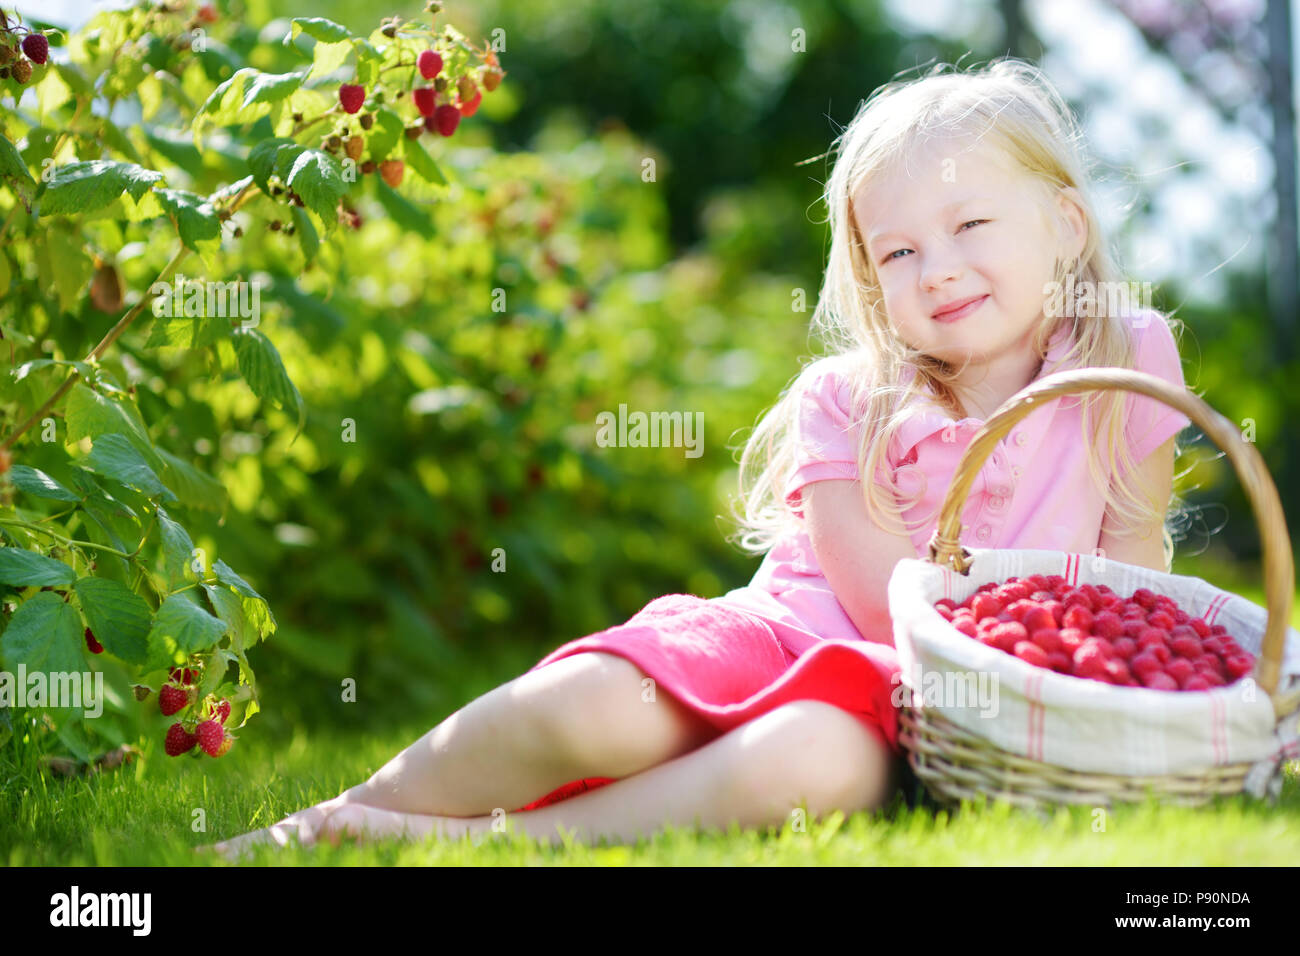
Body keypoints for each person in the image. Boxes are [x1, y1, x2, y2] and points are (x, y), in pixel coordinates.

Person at [206, 57, 1193, 859]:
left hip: (931, 703)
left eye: (970, 225)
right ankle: (345, 810)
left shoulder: (1126, 359)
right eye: (896, 252)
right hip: (792, 631)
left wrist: (1090, 690)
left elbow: (1133, 557)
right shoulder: (847, 397)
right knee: (595, 704)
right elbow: (873, 594)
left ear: (1065, 224)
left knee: (808, 763)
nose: (935, 268)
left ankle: (483, 843)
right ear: (866, 276)